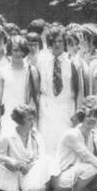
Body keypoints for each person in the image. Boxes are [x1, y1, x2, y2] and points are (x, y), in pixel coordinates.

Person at [38, 25, 82, 157]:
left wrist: (78, 112)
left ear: (65, 43)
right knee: (47, 144)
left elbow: (79, 91)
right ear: (49, 43)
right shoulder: (41, 61)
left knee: (64, 144)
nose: (57, 44)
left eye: (60, 41)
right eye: (54, 41)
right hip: (47, 109)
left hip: (66, 108)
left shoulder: (73, 63)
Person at [6, 105, 54, 191]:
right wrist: (18, 165)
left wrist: (33, 162)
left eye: (33, 119)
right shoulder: (8, 136)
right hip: (16, 174)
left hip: (33, 172)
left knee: (47, 160)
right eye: (29, 119)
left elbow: (41, 154)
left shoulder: (36, 134)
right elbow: (3, 160)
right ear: (20, 120)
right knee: (35, 188)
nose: (32, 122)